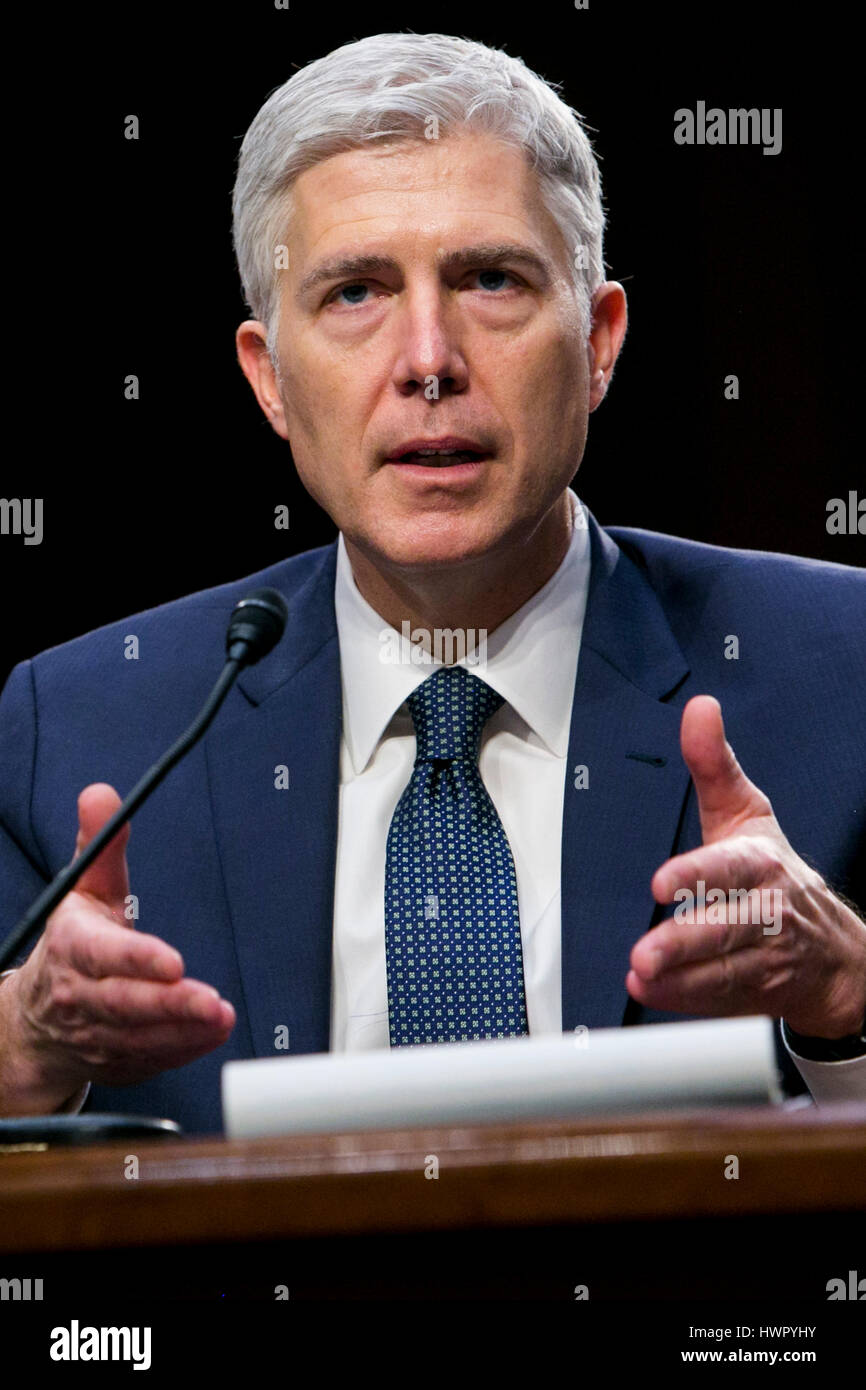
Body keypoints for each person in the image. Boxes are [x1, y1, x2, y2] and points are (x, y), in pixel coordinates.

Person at [1, 34, 864, 1134]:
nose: (426, 358)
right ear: (269, 379)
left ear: (597, 342)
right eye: (355, 291)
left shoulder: (845, 674)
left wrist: (848, 996)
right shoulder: (75, 731)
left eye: (488, 279)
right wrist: (24, 1040)